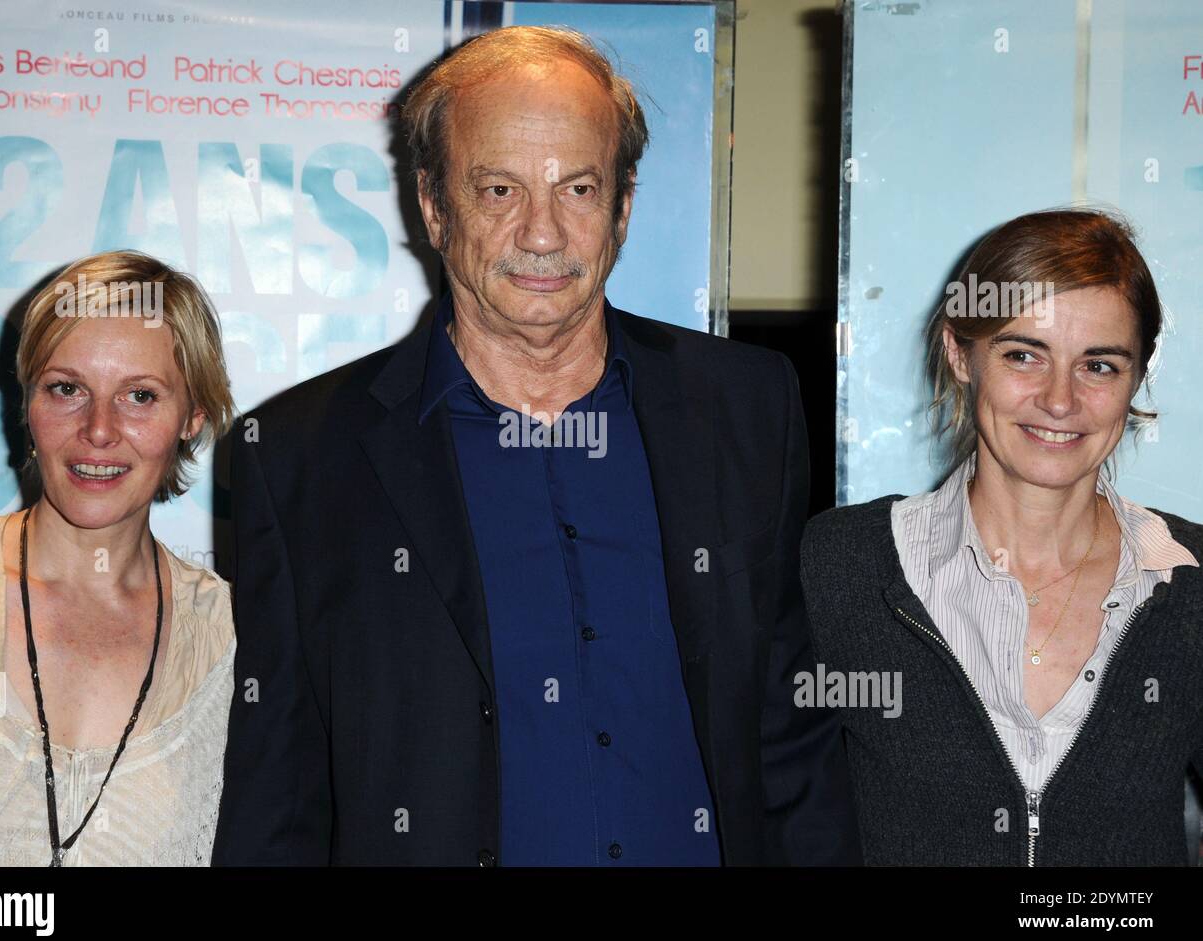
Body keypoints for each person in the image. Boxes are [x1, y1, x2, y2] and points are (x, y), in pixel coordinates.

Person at [212, 25, 859, 866]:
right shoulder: (298, 456)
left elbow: (790, 734)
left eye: (579, 188)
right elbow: (280, 794)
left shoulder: (746, 407)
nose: (543, 234)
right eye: (498, 191)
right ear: (434, 207)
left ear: (623, 204)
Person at [801, 208, 1203, 865]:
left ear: (1135, 378)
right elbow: (769, 805)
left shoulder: (1189, 578)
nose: (1059, 399)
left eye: (1098, 366)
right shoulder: (841, 564)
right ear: (960, 354)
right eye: (1024, 355)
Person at [0, 250, 236, 865]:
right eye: (67, 389)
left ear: (193, 417)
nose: (100, 429)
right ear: (27, 403)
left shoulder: (238, 639)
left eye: (139, 395)